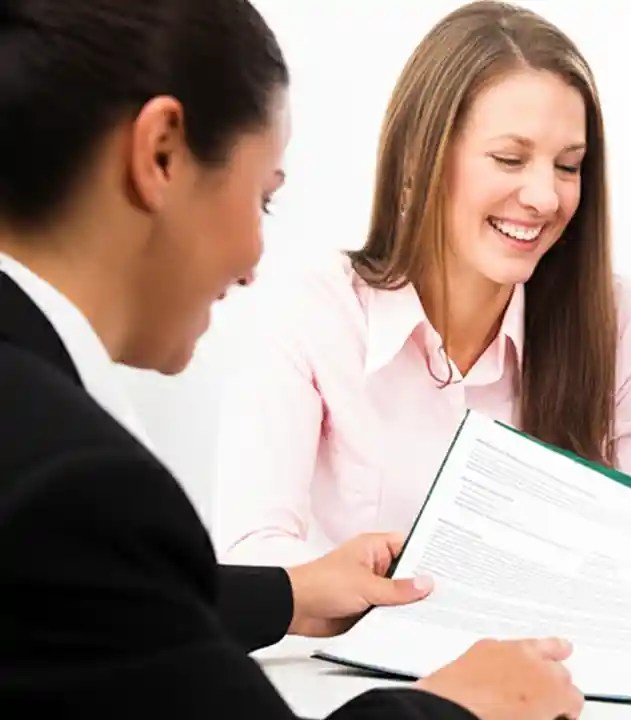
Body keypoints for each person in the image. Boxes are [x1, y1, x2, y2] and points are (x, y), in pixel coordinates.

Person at [0, 1, 583, 718]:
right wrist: (455, 707)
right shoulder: (78, 485)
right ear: (159, 155)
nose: (254, 262)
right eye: (264, 198)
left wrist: (291, 594)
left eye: (568, 166)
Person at [209, 1, 631, 621]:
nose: (543, 197)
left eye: (568, 166)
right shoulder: (317, 314)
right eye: (509, 159)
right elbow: (252, 557)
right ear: (422, 160)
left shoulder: (610, 318)